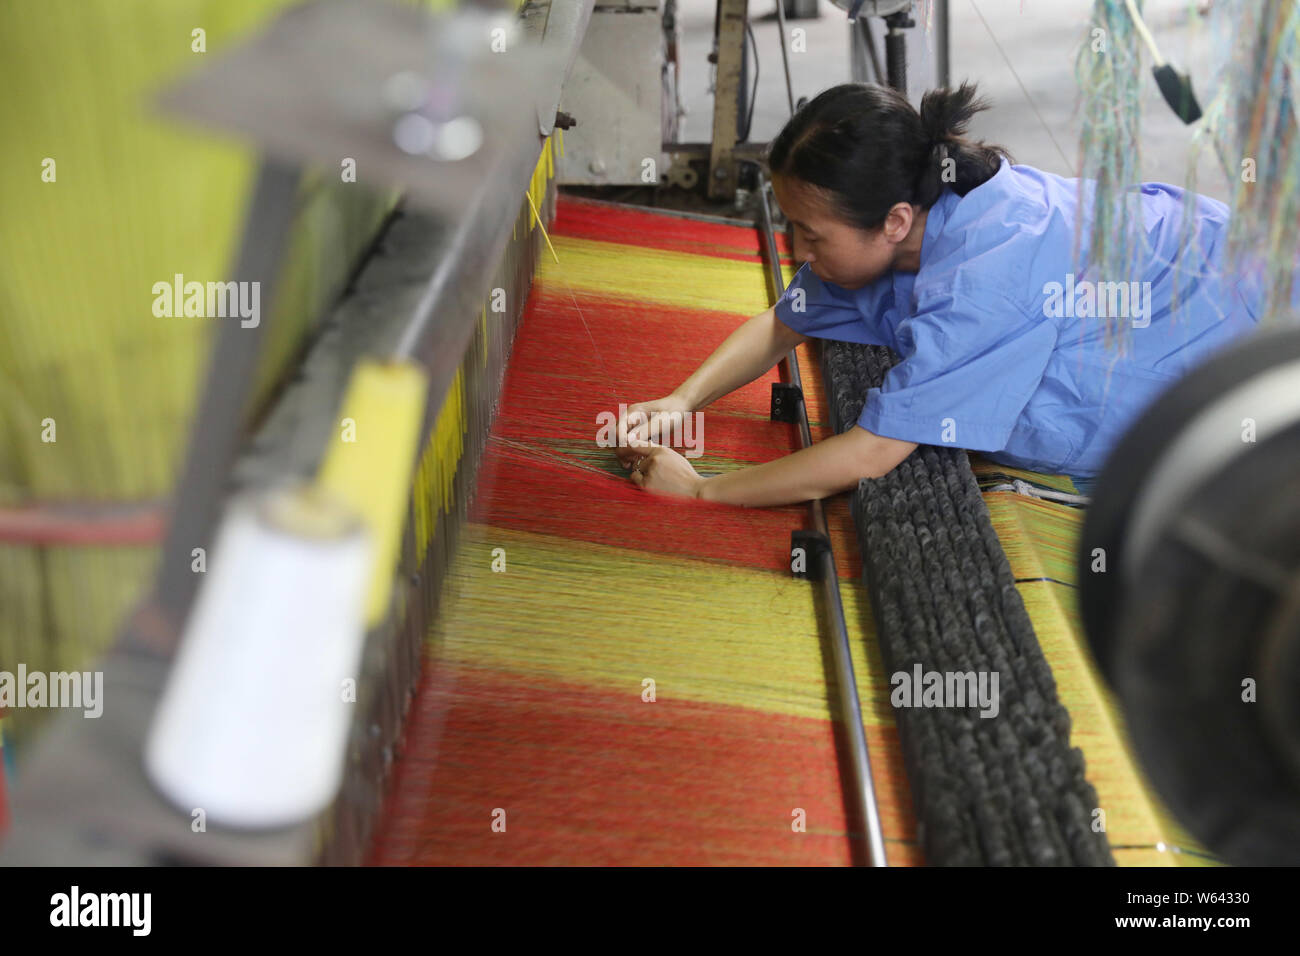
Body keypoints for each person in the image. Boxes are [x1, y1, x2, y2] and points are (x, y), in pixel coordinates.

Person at [614, 81, 1265, 505]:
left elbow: (872, 452)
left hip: (1249, 335)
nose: (799, 255)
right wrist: (682, 399)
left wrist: (703, 493)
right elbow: (787, 321)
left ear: (893, 220)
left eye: (812, 236)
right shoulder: (926, 212)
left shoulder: (983, 280)